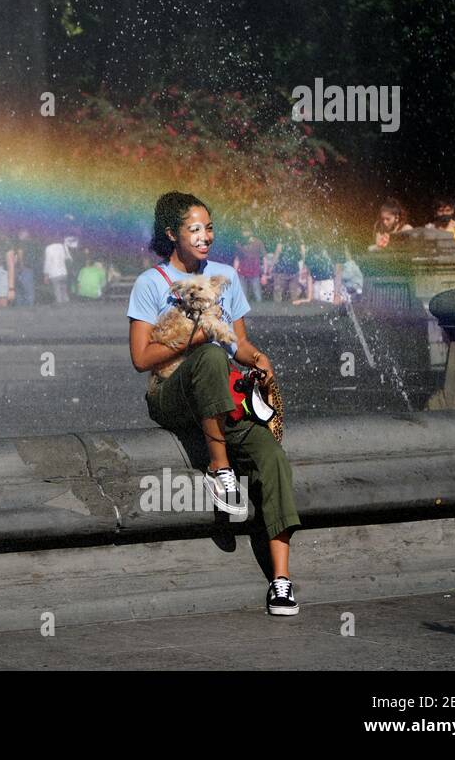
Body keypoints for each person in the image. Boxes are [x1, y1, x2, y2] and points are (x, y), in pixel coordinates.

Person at [127, 191, 302, 616]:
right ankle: (220, 472)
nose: (205, 236)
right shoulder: (151, 283)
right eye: (194, 229)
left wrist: (259, 359)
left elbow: (237, 343)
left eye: (209, 228)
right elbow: (140, 359)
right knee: (206, 355)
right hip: (169, 394)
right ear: (172, 233)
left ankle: (281, 582)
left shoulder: (225, 276)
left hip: (220, 396)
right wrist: (199, 337)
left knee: (272, 456)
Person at [233, 228, 265, 303]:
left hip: (254, 272)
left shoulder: (258, 242)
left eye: (247, 231)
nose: (245, 233)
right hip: (242, 272)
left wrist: (264, 274)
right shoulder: (239, 243)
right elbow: (237, 259)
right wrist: (234, 273)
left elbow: (264, 258)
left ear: (251, 232)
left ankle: (260, 311)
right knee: (243, 297)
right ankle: (247, 313)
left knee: (257, 295)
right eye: (244, 231)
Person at [42, 236, 73, 304]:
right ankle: (68, 307)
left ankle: (60, 309)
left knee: (57, 291)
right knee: (64, 291)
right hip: (64, 272)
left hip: (54, 273)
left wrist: (46, 275)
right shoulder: (63, 246)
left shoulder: (49, 248)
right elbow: (69, 258)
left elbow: (48, 262)